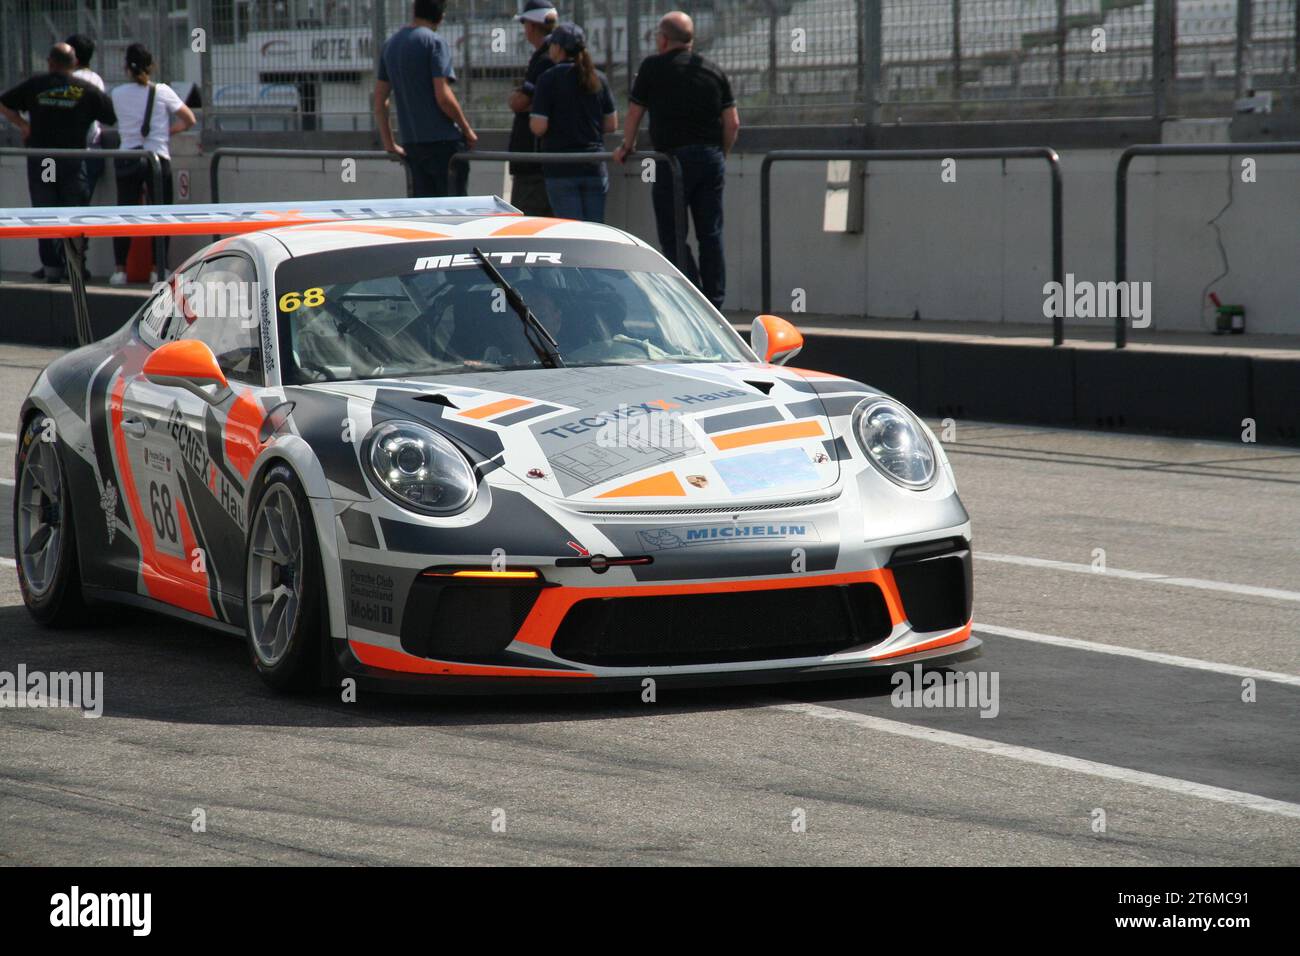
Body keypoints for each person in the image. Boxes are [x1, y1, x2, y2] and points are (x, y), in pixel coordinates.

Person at [613, 11, 739, 308]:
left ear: (664, 38)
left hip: (671, 162)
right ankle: (716, 301)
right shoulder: (712, 70)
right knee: (711, 233)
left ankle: (694, 300)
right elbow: (732, 123)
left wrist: (626, 146)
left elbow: (634, 113)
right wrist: (721, 155)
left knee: (672, 235)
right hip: (710, 159)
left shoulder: (652, 68)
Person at [0, 42, 117, 282]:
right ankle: (74, 267)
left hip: (43, 161)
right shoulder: (86, 89)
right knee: (75, 214)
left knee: (45, 211)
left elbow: (4, 102)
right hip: (71, 161)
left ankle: (51, 268)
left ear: (50, 63)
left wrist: (24, 126)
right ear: (74, 63)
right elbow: (110, 118)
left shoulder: (35, 85)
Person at [109, 43, 195, 285]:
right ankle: (159, 269)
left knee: (123, 214)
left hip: (127, 157)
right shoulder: (163, 91)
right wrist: (167, 132)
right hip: (157, 158)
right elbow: (189, 119)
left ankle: (119, 271)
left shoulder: (117, 93)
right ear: (152, 66)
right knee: (161, 214)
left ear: (126, 67)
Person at [375, 0, 477, 198]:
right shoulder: (435, 42)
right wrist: (467, 130)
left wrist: (389, 143)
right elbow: (443, 97)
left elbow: (380, 101)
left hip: (412, 147)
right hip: (444, 147)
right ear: (440, 14)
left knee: (423, 215)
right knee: (454, 213)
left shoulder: (390, 45)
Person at [528, 24, 617, 223]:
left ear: (558, 48)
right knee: (595, 231)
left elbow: (539, 127)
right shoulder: (598, 78)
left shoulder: (548, 78)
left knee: (572, 230)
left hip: (560, 168)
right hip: (594, 166)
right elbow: (611, 124)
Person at [506, 0, 558, 216]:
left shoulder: (544, 59)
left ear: (532, 26)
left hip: (533, 163)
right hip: (540, 161)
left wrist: (519, 99)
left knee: (529, 221)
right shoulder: (549, 55)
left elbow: (520, 103)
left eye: (525, 24)